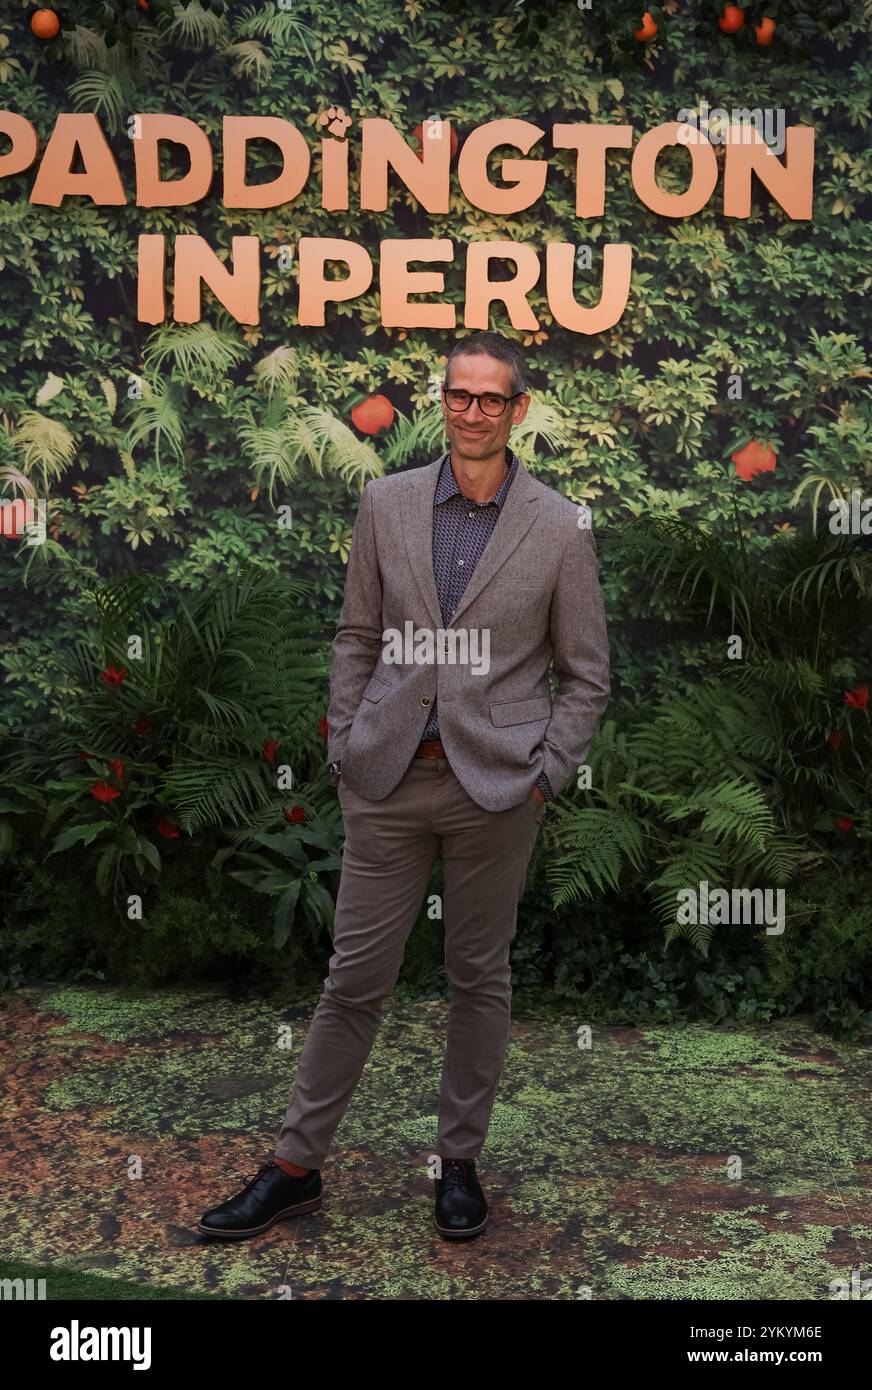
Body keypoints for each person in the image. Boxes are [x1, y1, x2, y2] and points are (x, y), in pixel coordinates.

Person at [198, 330, 611, 1242]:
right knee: (354, 979)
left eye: (490, 399)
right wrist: (346, 741)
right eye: (459, 395)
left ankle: (457, 1164)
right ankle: (295, 1167)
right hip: (386, 778)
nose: (472, 412)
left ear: (519, 411)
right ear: (443, 401)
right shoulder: (384, 503)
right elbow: (357, 635)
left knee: (479, 980)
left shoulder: (559, 526)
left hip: (497, 789)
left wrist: (548, 771)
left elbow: (586, 673)